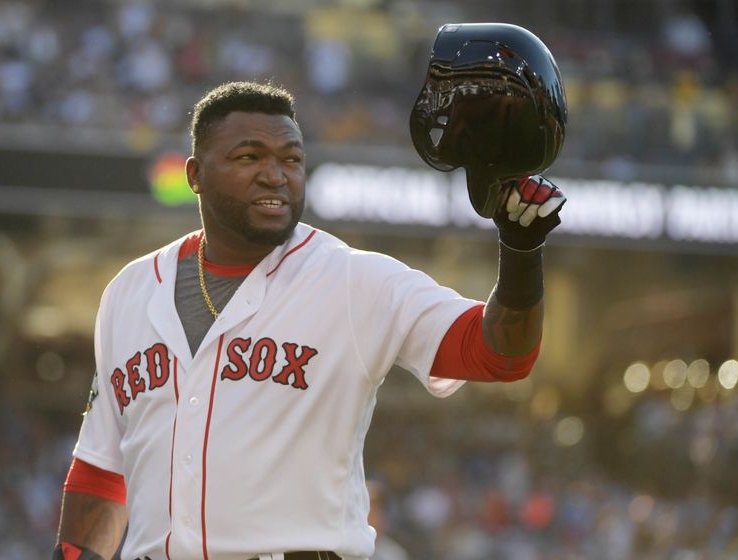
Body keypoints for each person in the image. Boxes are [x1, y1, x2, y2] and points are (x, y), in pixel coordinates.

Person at [53, 80, 566, 560]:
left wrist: (521, 251)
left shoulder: (352, 280)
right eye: (248, 156)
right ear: (195, 175)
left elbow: (499, 354)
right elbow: (101, 471)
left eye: (291, 158)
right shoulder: (130, 292)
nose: (275, 174)